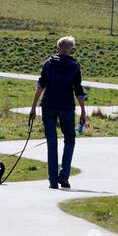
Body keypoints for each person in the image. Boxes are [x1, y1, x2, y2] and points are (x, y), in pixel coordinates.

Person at [29, 36, 89, 189]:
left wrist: (33, 107)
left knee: (51, 142)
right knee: (69, 139)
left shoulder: (48, 64)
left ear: (58, 48)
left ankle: (53, 180)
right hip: (66, 107)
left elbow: (40, 86)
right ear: (71, 50)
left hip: (48, 105)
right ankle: (64, 176)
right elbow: (79, 91)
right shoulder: (74, 66)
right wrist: (83, 111)